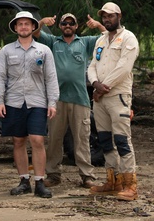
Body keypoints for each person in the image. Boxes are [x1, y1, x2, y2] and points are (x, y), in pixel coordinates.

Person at [34, 13, 106, 189]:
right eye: (64, 23)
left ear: (76, 26)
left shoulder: (85, 42)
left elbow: (107, 37)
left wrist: (97, 25)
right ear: (59, 26)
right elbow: (35, 33)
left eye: (71, 23)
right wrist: (42, 22)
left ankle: (87, 176)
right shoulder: (52, 42)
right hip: (56, 99)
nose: (67, 25)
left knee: (82, 139)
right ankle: (53, 174)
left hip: (80, 98)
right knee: (55, 139)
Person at [0, 11, 59, 198]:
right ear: (15, 28)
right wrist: (0, 100)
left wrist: (52, 102)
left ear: (33, 27)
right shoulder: (6, 51)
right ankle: (24, 181)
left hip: (37, 102)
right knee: (18, 140)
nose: (23, 27)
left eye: (27, 24)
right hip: (13, 102)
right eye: (20, 24)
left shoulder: (43, 51)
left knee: (37, 140)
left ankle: (39, 181)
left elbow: (51, 77)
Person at [87, 2, 140, 201]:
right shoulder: (100, 40)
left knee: (122, 140)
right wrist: (94, 83)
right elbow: (92, 65)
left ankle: (130, 185)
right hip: (100, 99)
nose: (107, 19)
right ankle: (113, 181)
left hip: (117, 96)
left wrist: (102, 87)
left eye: (110, 16)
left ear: (119, 16)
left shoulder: (128, 38)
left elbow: (124, 67)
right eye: (104, 16)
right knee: (105, 140)